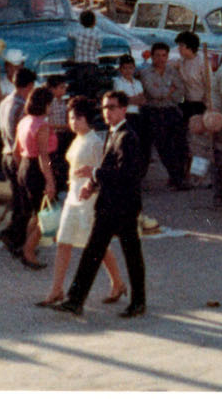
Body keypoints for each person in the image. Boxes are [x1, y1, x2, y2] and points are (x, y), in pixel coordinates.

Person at [56, 91, 147, 319]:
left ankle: (138, 302)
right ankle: (75, 300)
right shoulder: (112, 134)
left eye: (113, 107)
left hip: (124, 207)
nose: (108, 112)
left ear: (124, 109)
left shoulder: (128, 137)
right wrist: (92, 183)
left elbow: (126, 173)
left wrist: (94, 173)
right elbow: (108, 169)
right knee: (92, 252)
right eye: (105, 108)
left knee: (131, 255)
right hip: (108, 205)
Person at [41, 96, 126, 309]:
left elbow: (102, 172)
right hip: (72, 197)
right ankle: (56, 289)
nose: (73, 122)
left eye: (77, 118)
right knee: (63, 242)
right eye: (71, 118)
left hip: (89, 199)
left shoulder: (96, 142)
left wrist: (92, 188)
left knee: (97, 245)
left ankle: (117, 282)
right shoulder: (77, 139)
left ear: (87, 119)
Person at [7, 87, 56, 270]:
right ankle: (28, 251)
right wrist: (50, 181)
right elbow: (44, 157)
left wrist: (23, 171)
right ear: (45, 105)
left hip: (25, 168)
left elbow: (16, 152)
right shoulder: (42, 125)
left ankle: (28, 248)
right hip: (38, 169)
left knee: (35, 213)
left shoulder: (24, 121)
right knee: (47, 215)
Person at [138, 43, 190, 189]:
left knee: (180, 143)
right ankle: (176, 177)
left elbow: (180, 91)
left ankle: (178, 176)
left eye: (164, 55)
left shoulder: (172, 71)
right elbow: (154, 94)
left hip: (171, 109)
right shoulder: (146, 73)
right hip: (153, 112)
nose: (161, 59)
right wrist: (169, 90)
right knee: (164, 145)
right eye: (157, 56)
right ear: (152, 57)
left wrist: (165, 93)